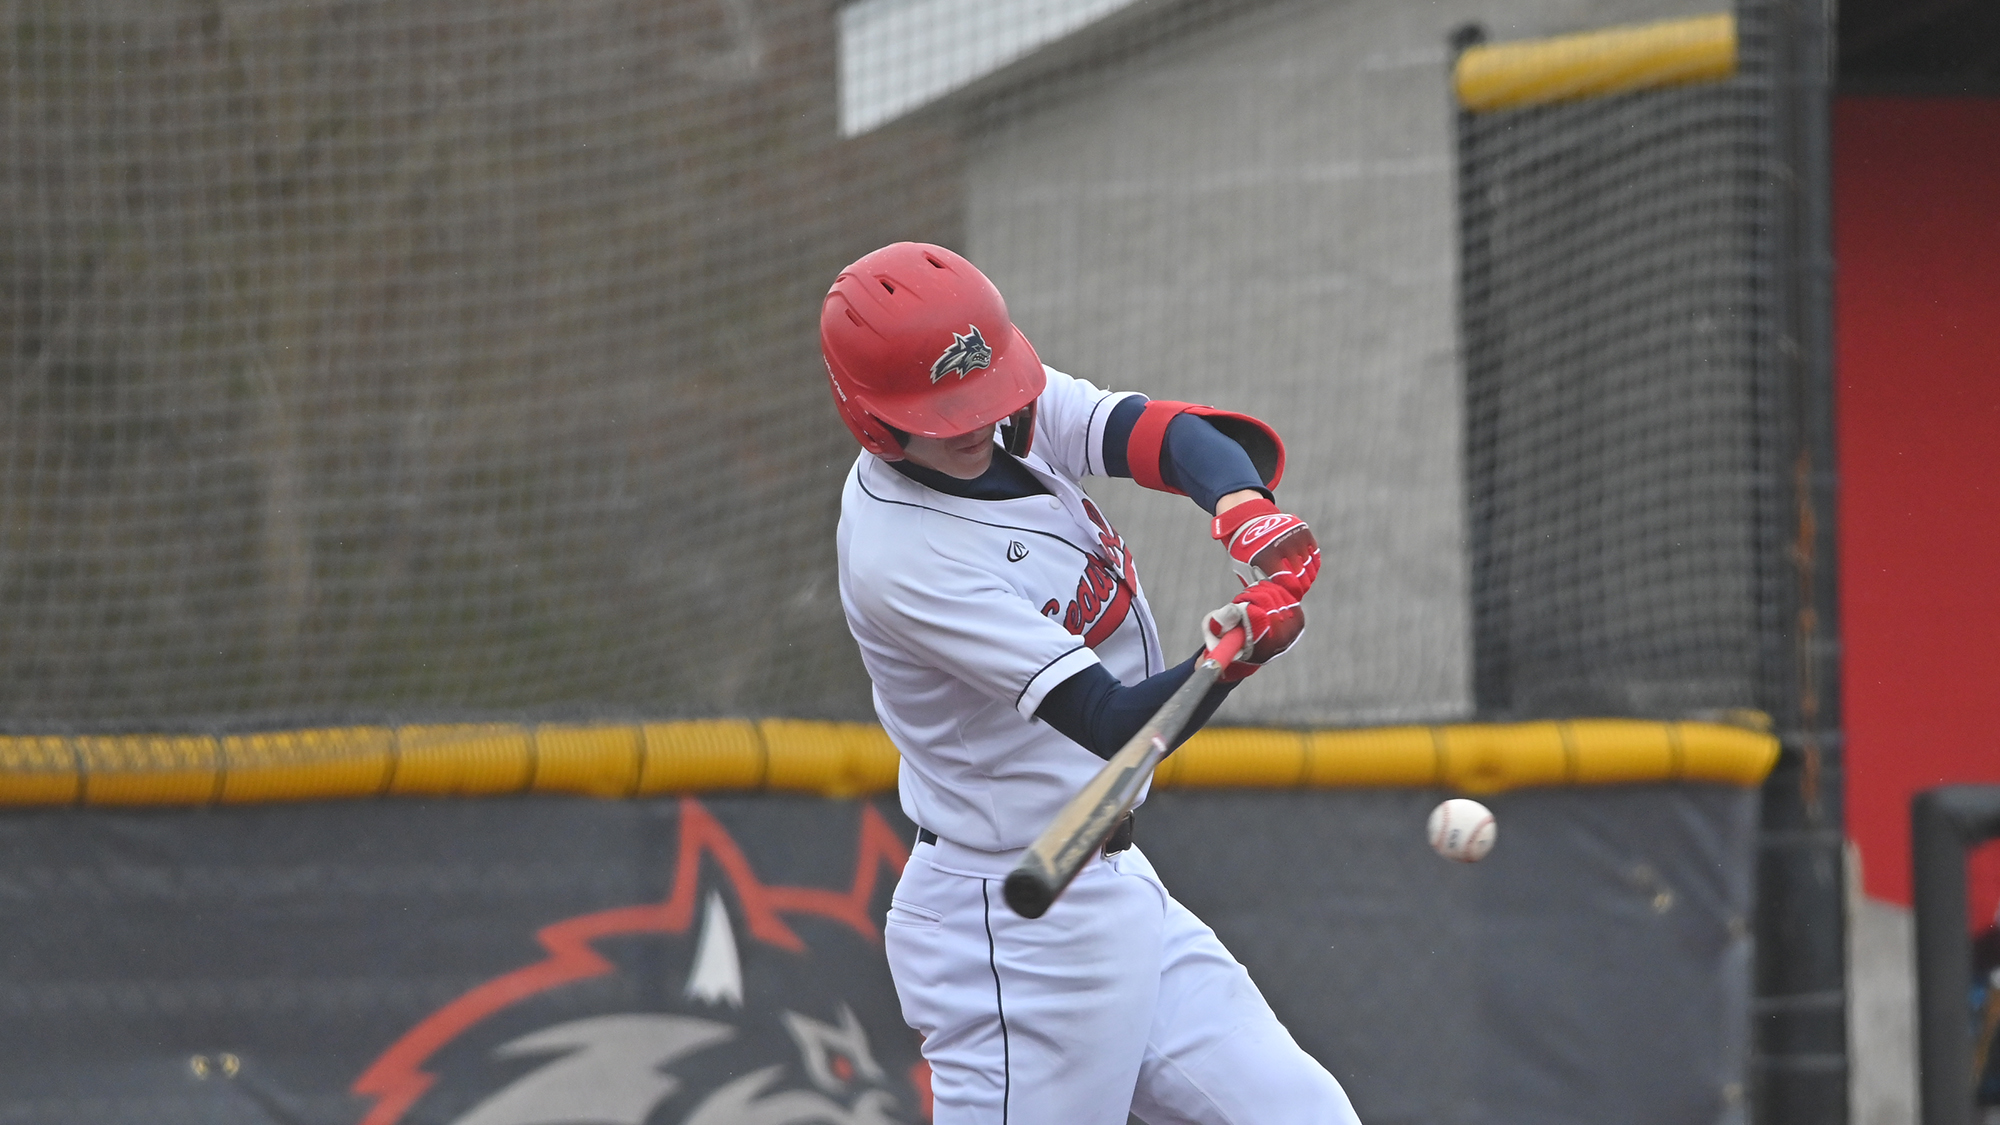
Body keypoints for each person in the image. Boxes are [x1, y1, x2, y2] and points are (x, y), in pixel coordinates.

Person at [826, 242, 1361, 1125]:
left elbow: (1158, 433)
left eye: (983, 393)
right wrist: (1232, 654)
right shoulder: (904, 553)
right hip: (1010, 923)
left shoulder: (999, 420)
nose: (974, 420)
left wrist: (1243, 506)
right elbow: (1109, 721)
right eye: (944, 407)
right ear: (874, 416)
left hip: (1111, 881)